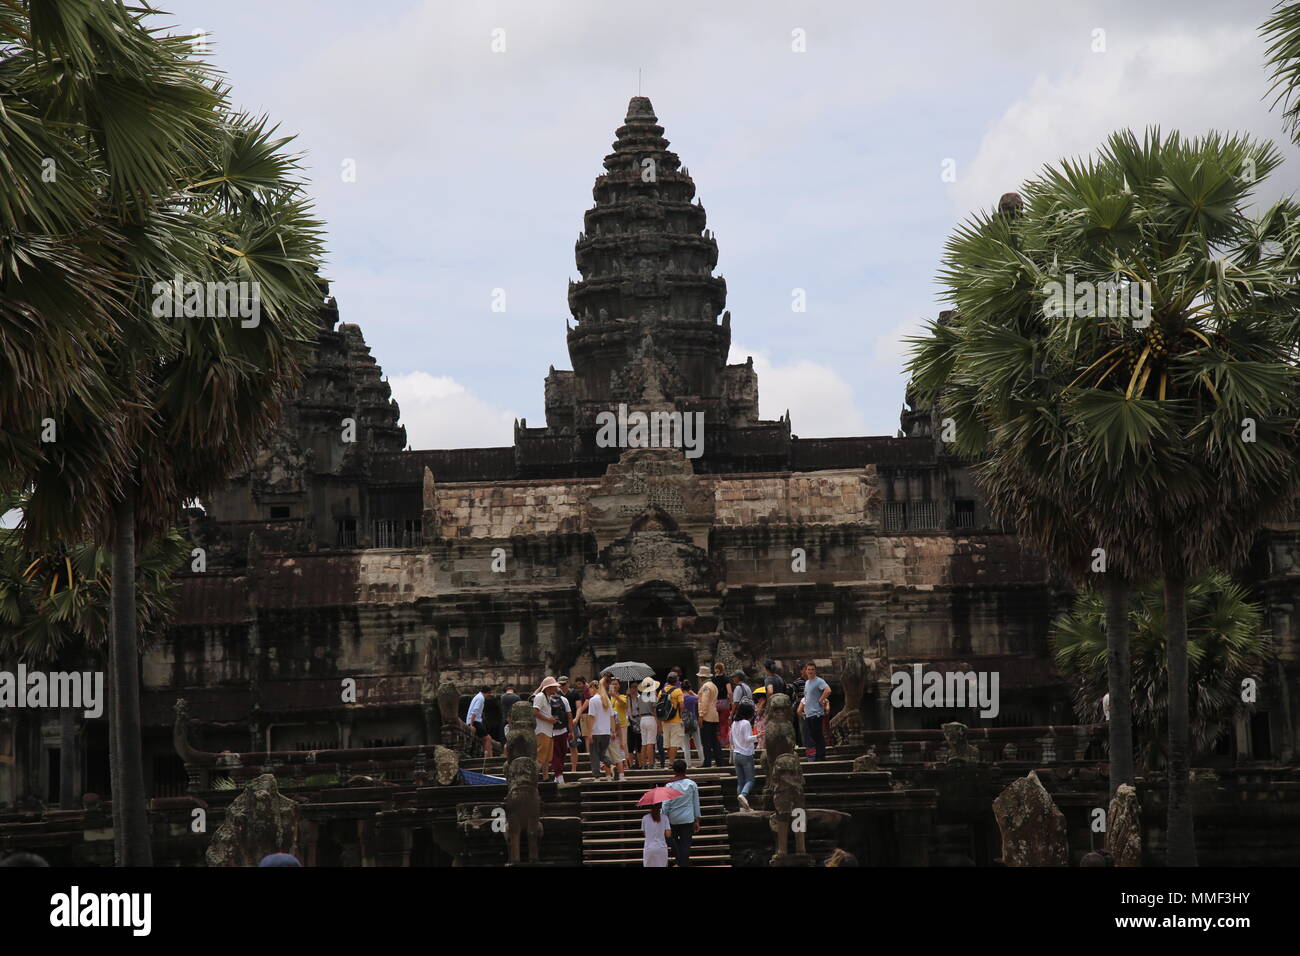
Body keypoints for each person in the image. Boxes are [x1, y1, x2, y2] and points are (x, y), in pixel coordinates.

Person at [663, 759, 701, 867]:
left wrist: (663, 818)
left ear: (674, 771)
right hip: (688, 819)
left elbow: (666, 805)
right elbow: (696, 803)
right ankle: (682, 863)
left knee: (673, 843)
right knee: (685, 844)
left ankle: (679, 862)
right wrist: (697, 820)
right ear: (685, 770)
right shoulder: (692, 784)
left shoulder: (669, 786)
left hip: (672, 819)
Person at [576, 675, 615, 780]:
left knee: (594, 755)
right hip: (606, 732)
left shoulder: (593, 700)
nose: (589, 691)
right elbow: (612, 717)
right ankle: (611, 765)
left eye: (590, 689)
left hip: (596, 731)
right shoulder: (607, 700)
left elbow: (591, 718)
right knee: (601, 754)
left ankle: (597, 775)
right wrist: (613, 731)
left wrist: (589, 733)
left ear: (593, 688)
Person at [796, 662, 831, 761]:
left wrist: (821, 700)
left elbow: (828, 690)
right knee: (812, 735)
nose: (810, 671)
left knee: (817, 734)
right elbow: (807, 697)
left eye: (812, 669)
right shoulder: (807, 683)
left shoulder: (819, 681)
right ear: (806, 671)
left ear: (815, 670)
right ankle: (817, 753)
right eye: (809, 669)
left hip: (817, 712)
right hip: (808, 713)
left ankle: (821, 755)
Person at [730, 700, 762, 810]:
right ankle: (743, 795)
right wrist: (758, 736)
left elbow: (732, 739)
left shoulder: (734, 723)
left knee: (740, 781)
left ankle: (742, 807)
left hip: (736, 754)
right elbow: (747, 739)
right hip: (746, 754)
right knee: (750, 780)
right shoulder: (746, 723)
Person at [532, 676, 564, 780]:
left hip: (548, 731)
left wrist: (551, 719)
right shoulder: (540, 697)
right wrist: (548, 719)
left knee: (547, 758)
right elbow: (535, 712)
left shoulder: (548, 697)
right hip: (542, 730)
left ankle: (545, 778)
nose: (556, 689)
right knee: (541, 757)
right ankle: (531, 777)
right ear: (548, 688)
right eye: (554, 687)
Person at [658, 673, 686, 766]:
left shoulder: (661, 691)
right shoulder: (678, 691)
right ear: (676, 681)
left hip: (664, 721)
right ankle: (671, 763)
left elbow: (658, 705)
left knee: (668, 743)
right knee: (674, 742)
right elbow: (681, 706)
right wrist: (681, 716)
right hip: (675, 719)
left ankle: (670, 762)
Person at [696, 665, 721, 767]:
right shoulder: (713, 686)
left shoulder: (706, 687)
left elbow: (704, 702)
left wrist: (701, 715)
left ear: (702, 677)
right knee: (714, 740)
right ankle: (719, 761)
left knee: (706, 740)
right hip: (714, 715)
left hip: (707, 716)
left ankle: (707, 762)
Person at [465, 684, 497, 758]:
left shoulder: (477, 696)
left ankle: (488, 756)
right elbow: (475, 711)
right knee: (488, 738)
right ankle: (489, 758)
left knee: (484, 739)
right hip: (475, 721)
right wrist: (471, 725)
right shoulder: (481, 698)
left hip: (473, 720)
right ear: (488, 692)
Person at [637, 677, 660, 770]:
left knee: (644, 743)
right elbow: (654, 710)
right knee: (650, 743)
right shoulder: (653, 695)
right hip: (650, 718)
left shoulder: (640, 696)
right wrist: (658, 724)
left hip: (642, 719)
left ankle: (643, 764)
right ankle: (651, 763)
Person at [608, 678, 629, 779]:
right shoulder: (609, 698)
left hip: (622, 723)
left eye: (616, 684)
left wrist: (615, 695)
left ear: (619, 686)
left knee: (623, 744)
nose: (614, 686)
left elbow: (624, 705)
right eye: (612, 684)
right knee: (615, 745)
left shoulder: (623, 696)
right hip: (612, 725)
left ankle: (626, 763)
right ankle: (617, 763)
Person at [681, 680, 704, 767]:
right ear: (689, 688)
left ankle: (688, 764)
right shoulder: (692, 698)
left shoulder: (680, 698)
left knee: (686, 745)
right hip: (693, 721)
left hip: (683, 722)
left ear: (681, 688)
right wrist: (693, 693)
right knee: (698, 744)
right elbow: (700, 699)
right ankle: (702, 761)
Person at [641, 802, 672, 867]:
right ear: (660, 806)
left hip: (649, 848)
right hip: (661, 847)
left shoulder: (645, 818)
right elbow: (668, 834)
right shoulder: (665, 817)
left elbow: (645, 833)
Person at [713, 664, 733, 749]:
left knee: (716, 723)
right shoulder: (726, 678)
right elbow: (729, 691)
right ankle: (724, 743)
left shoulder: (713, 679)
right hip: (724, 702)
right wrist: (731, 701)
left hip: (715, 702)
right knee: (724, 723)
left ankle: (716, 742)